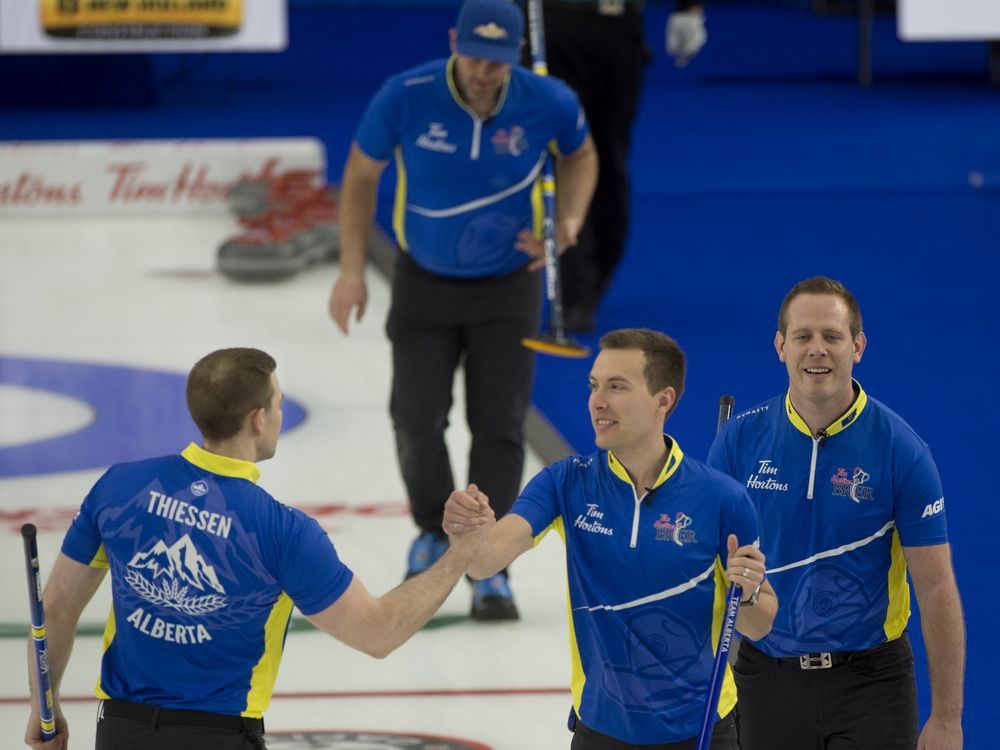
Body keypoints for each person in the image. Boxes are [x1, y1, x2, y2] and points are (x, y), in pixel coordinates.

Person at [24, 348, 494, 750]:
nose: (280, 412)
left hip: (120, 733)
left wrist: (43, 704)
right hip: (218, 736)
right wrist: (459, 554)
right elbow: (378, 633)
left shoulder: (120, 486)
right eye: (279, 402)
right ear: (258, 418)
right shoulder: (282, 530)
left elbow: (57, 607)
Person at [327, 0, 598, 621]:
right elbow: (361, 175)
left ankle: (487, 556)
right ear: (454, 41)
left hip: (509, 285)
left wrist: (572, 223)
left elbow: (581, 155)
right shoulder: (405, 95)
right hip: (423, 280)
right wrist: (349, 269)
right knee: (415, 418)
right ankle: (432, 528)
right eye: (475, 57)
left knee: (498, 422)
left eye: (498, 63)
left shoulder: (548, 101)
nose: (484, 72)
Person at [445, 328, 777, 747]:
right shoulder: (565, 483)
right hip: (601, 733)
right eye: (594, 386)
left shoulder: (723, 499)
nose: (597, 402)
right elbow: (484, 562)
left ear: (664, 400)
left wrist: (746, 593)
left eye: (617, 387)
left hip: (703, 733)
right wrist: (470, 538)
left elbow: (759, 622)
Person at [707, 276, 965, 750]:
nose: (817, 350)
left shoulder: (901, 451)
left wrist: (947, 718)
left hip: (871, 682)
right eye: (803, 336)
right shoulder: (737, 441)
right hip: (766, 675)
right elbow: (709, 575)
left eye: (832, 336)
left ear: (858, 346)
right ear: (780, 346)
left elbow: (935, 585)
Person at [521, 0, 707, 333]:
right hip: (552, 21)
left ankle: (595, 276)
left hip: (617, 25)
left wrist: (687, 7)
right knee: (566, 148)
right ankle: (575, 289)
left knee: (609, 153)